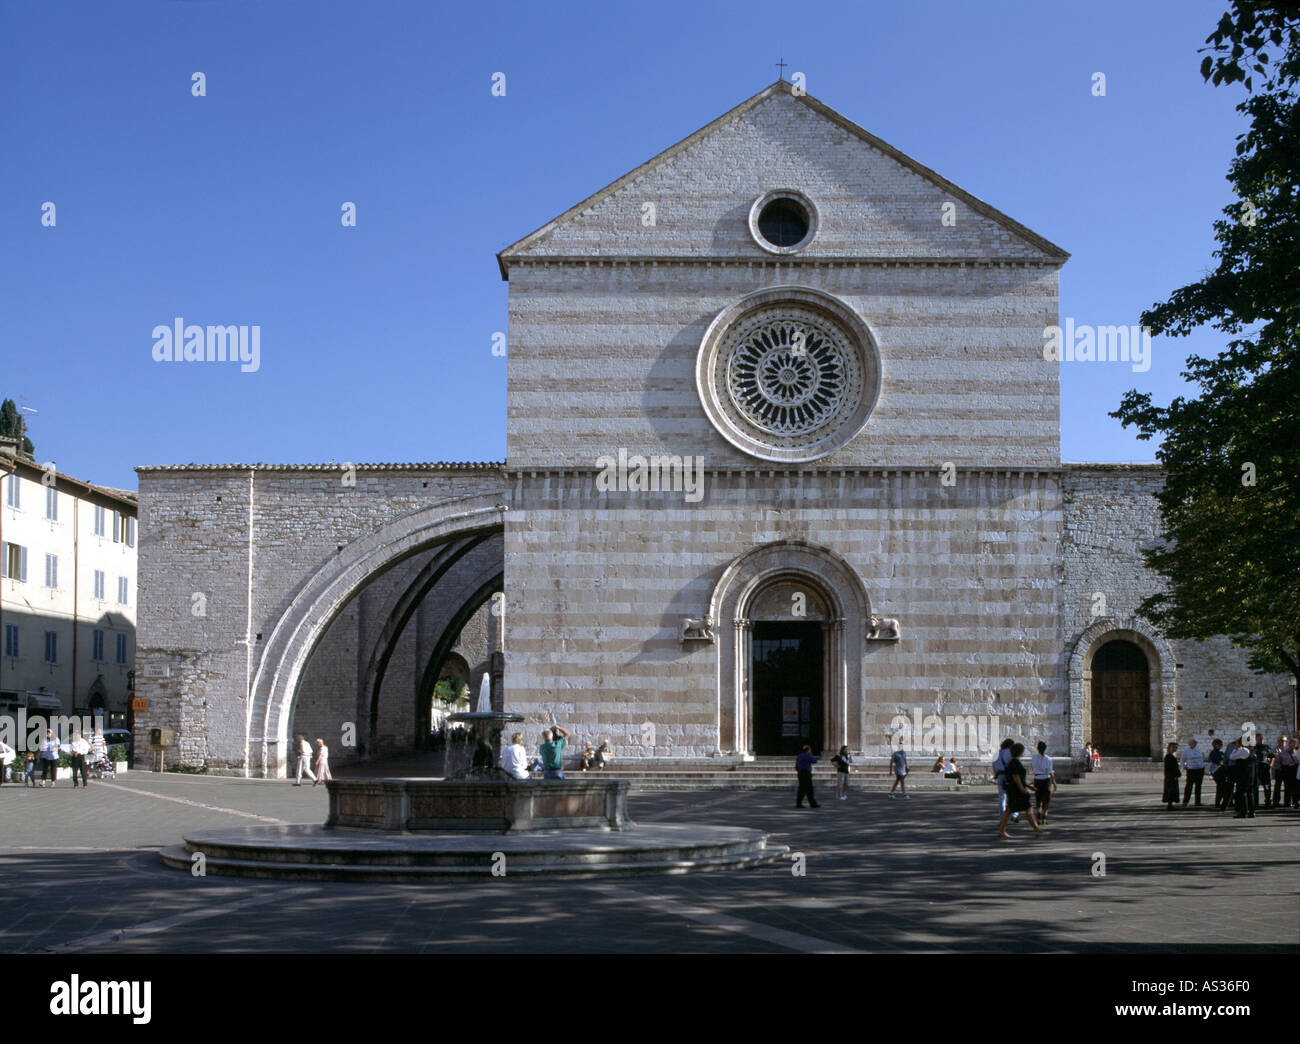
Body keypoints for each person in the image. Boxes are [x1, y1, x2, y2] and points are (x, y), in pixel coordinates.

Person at [997, 743, 1042, 837]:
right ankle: (1036, 829)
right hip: (1017, 791)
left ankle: (1001, 830)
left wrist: (1029, 787)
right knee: (1028, 808)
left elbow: (1019, 778)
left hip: (1013, 790)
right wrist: (1022, 789)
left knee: (1009, 809)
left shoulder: (1012, 762)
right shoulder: (1015, 763)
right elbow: (1016, 777)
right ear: (1020, 752)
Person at [1228, 738, 1255, 819]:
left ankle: (1244, 811)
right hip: (1249, 774)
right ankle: (1251, 811)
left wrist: (1235, 749)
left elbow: (1231, 757)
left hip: (1243, 774)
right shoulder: (1251, 750)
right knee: (1249, 793)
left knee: (1242, 793)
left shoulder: (1243, 750)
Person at [1031, 741, 1056, 822]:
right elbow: (1050, 772)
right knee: (1046, 799)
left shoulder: (1034, 757)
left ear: (1037, 749)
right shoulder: (1048, 759)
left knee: (1038, 798)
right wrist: (1054, 783)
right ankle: (1044, 817)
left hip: (1037, 778)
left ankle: (1038, 814)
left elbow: (1033, 766)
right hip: (1046, 779)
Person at [993, 738, 1016, 819]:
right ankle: (1014, 814)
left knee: (1001, 797)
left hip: (999, 775)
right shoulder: (1009, 752)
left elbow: (994, 766)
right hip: (1009, 775)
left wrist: (996, 775)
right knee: (1012, 795)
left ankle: (1002, 817)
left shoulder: (996, 753)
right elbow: (1012, 764)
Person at [1179, 738, 1205, 806]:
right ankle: (1185, 801)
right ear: (1190, 744)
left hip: (1199, 769)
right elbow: (1182, 759)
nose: (1195, 744)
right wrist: (1184, 766)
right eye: (1193, 743)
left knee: (1198, 786)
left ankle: (1198, 801)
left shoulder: (1198, 750)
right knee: (1189, 786)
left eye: (1195, 743)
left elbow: (1201, 758)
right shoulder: (1186, 751)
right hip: (1191, 770)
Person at [1270, 735, 1294, 808]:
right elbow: (1273, 758)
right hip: (1278, 769)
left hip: (1286, 768)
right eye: (1281, 741)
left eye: (1284, 741)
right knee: (1277, 786)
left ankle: (1288, 802)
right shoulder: (1275, 749)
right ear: (1278, 741)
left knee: (1287, 786)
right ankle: (1276, 801)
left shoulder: (1288, 749)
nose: (1282, 742)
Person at [1252, 733, 1274, 809]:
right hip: (1257, 768)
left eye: (1261, 739)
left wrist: (1271, 764)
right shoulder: (1254, 748)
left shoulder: (1267, 747)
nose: (1260, 740)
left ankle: (1268, 802)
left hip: (1265, 768)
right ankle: (1255, 803)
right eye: (1258, 739)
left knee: (1267, 786)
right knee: (1256, 786)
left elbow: (1272, 756)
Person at [1207, 738, 1230, 809]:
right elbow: (1214, 760)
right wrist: (1220, 762)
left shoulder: (1221, 753)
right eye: (1218, 745)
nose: (1220, 746)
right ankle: (1217, 802)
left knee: (1223, 787)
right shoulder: (1213, 753)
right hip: (1216, 772)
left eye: (1221, 745)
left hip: (1222, 772)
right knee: (1220, 787)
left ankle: (1223, 801)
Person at [1162, 742, 1181, 810]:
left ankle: (1170, 804)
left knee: (1172, 790)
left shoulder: (1170, 756)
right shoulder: (1169, 757)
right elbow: (1172, 767)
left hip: (1170, 776)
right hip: (1171, 776)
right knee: (1171, 790)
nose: (1176, 749)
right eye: (1175, 747)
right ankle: (1170, 805)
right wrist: (1176, 774)